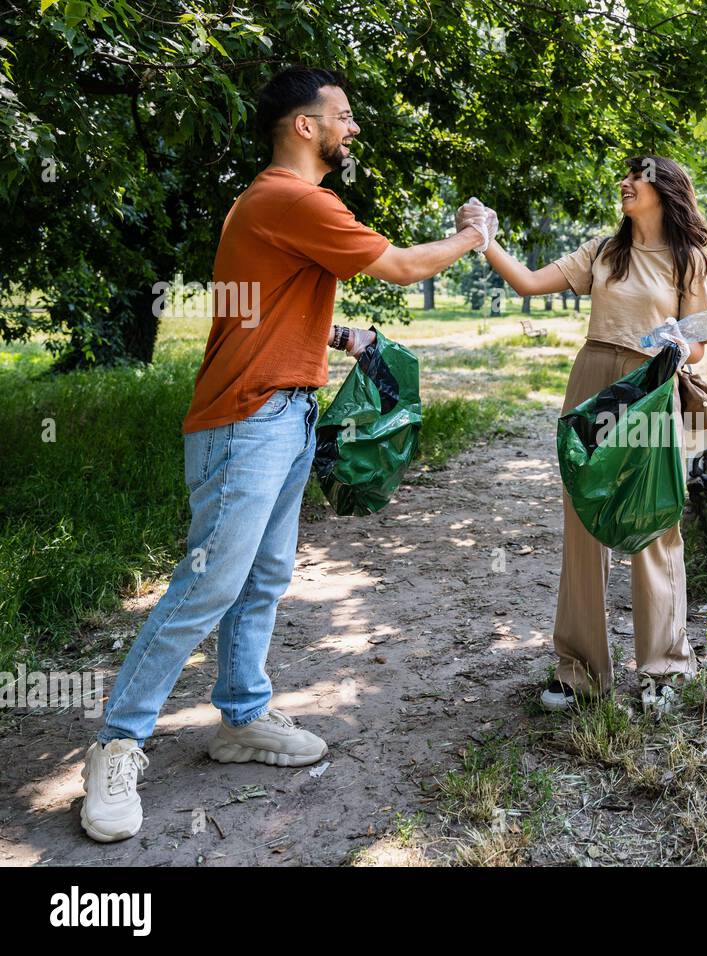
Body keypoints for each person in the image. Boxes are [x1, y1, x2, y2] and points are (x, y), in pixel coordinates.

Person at [79, 67, 497, 843]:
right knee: (207, 585)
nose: (353, 128)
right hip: (247, 421)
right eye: (343, 115)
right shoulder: (292, 197)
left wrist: (339, 336)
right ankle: (116, 743)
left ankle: (239, 717)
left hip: (284, 414)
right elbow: (402, 266)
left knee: (263, 578)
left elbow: (268, 298)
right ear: (304, 126)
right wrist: (476, 235)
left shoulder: (271, 205)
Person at [465, 156, 707, 713]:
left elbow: (701, 342)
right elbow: (529, 283)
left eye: (639, 177)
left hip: (650, 388)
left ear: (665, 189)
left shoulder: (690, 260)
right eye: (624, 176)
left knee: (653, 518)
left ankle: (663, 669)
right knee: (584, 521)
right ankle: (580, 671)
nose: (625, 183)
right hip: (592, 384)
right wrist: (481, 240)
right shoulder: (605, 252)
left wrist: (681, 342)